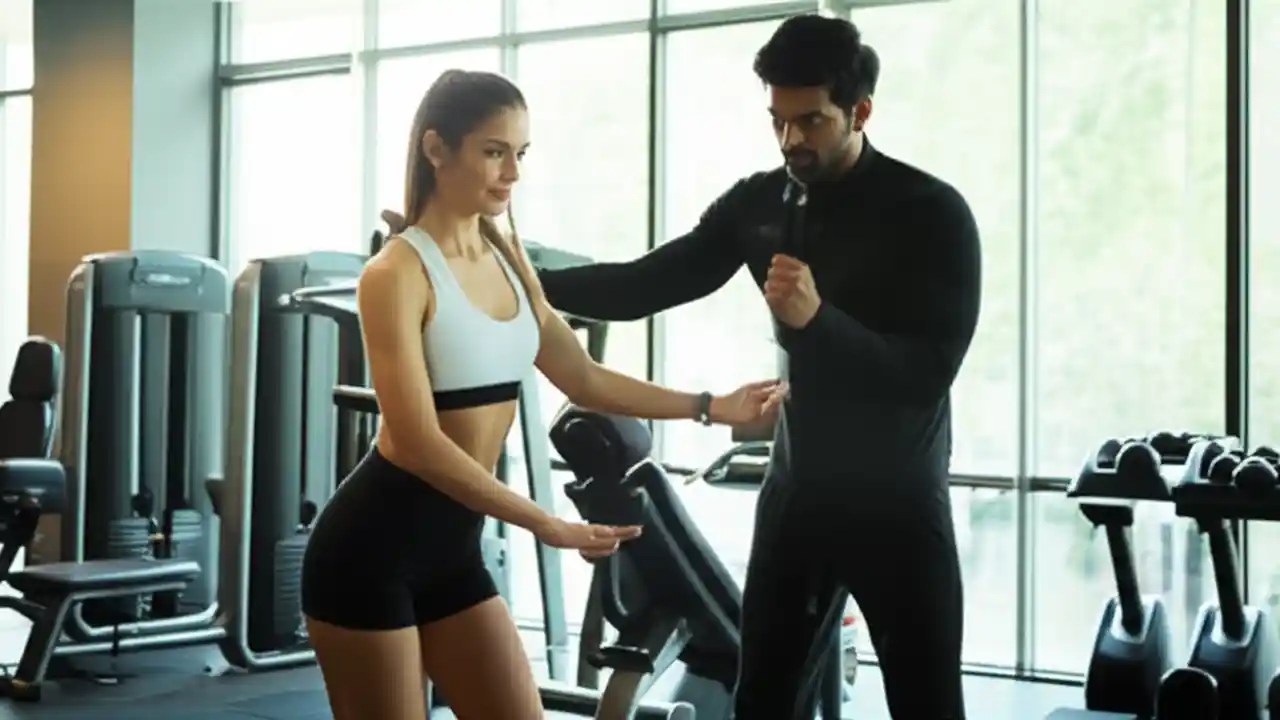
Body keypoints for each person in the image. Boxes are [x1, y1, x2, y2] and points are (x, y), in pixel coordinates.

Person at [300, 69, 786, 720]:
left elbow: (582, 377)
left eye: (520, 154)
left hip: (452, 555)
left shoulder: (508, 258)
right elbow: (416, 443)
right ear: (437, 149)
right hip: (369, 551)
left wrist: (710, 406)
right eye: (494, 152)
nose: (512, 173)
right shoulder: (395, 273)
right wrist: (545, 523)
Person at [538, 15, 980, 720]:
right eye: (777, 120)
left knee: (927, 705)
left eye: (812, 121)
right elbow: (644, 285)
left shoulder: (932, 214)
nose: (790, 140)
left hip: (897, 507)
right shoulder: (760, 204)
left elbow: (925, 374)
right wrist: (514, 271)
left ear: (861, 111)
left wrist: (817, 321)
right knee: (762, 702)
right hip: (798, 499)